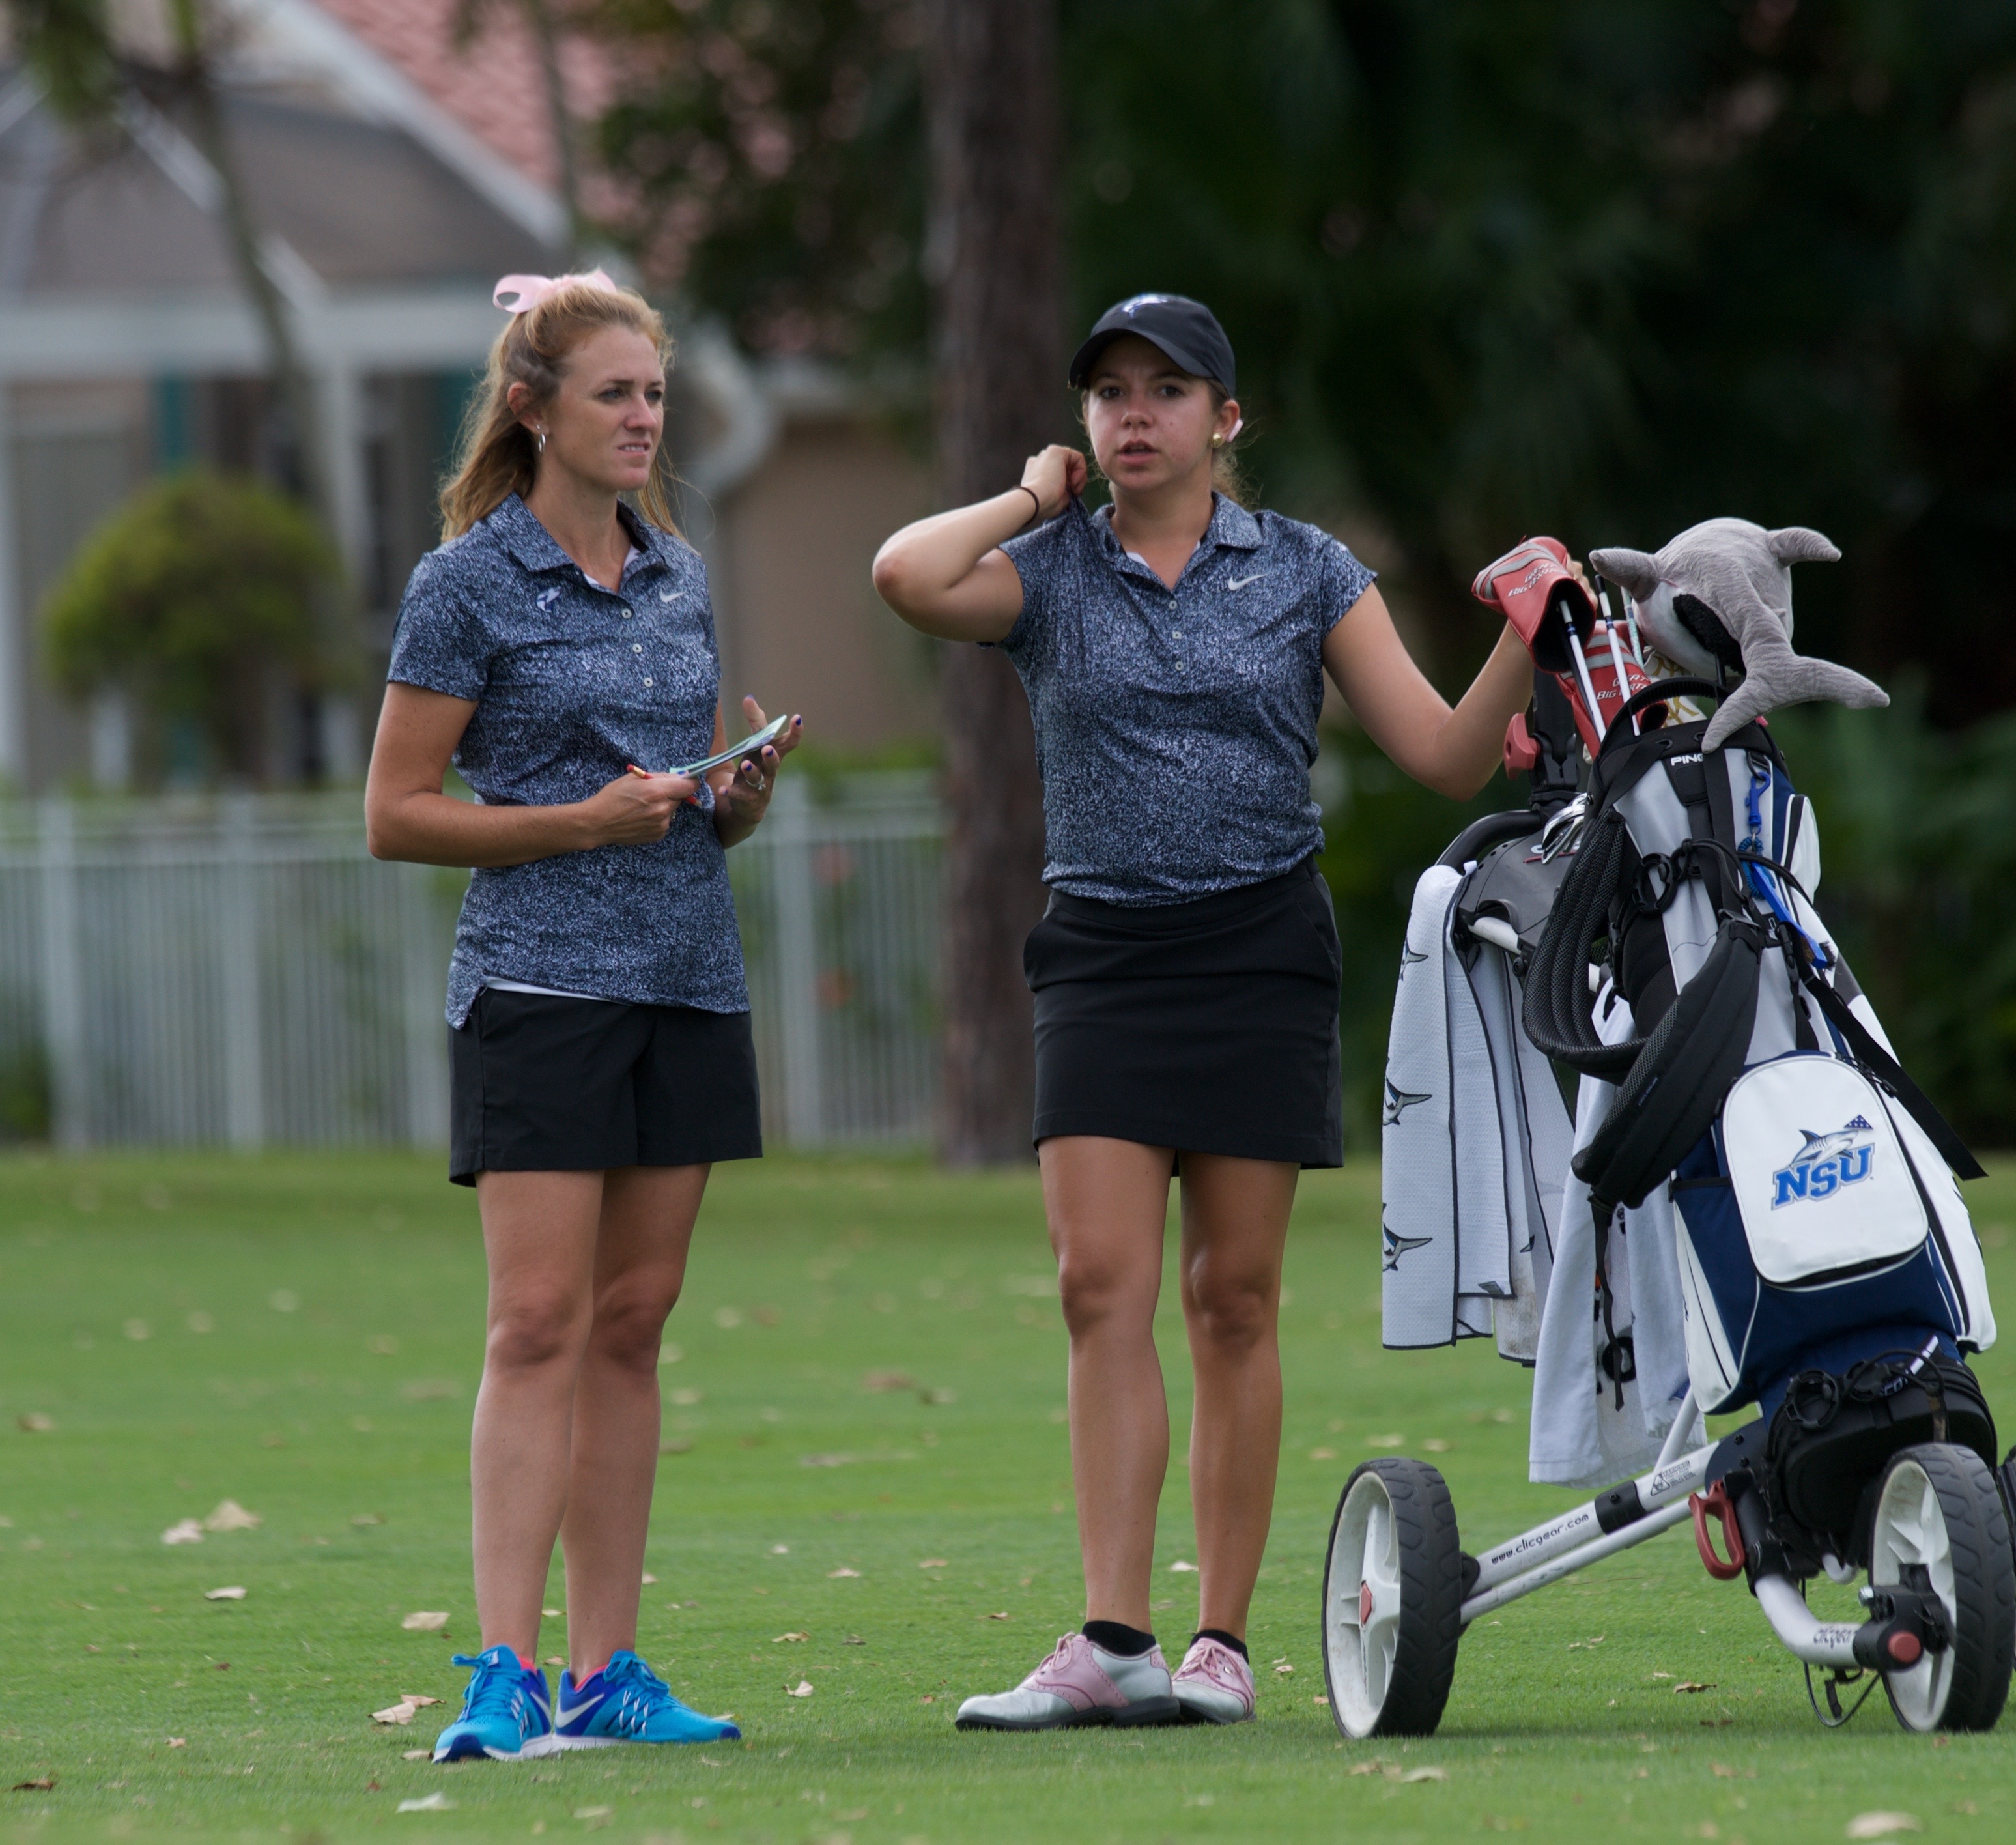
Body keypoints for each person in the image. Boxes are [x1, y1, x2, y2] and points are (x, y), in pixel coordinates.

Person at [870, 293, 1533, 1728]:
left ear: (1225, 420)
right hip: (1103, 957)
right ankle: (1114, 1641)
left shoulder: (1305, 569)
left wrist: (1523, 645)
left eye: (1167, 390)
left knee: (1233, 1299)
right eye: (1111, 391)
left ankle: (1219, 1646)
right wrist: (1026, 495)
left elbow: (1440, 755)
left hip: (1257, 953)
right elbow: (906, 576)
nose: (1136, 414)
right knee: (1096, 1283)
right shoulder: (1048, 569)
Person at [365, 270, 799, 1762]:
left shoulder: (680, 574)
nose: (643, 418)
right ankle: (503, 1673)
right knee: (538, 1322)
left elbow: (688, 803)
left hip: (688, 983)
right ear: (533, 409)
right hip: (539, 992)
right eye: (615, 393)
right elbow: (395, 813)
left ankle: (608, 1674)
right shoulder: (464, 583)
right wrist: (579, 823)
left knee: (632, 1325)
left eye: (655, 394)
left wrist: (737, 797)